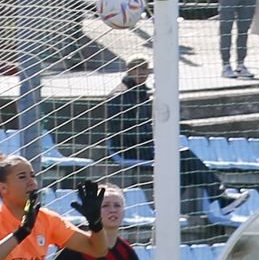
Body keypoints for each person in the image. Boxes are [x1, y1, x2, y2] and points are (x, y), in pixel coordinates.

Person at [106, 55, 248, 216]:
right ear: (130, 70)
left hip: (145, 144)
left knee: (184, 163)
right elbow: (122, 132)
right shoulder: (121, 95)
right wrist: (154, 136)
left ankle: (177, 207)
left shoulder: (141, 92)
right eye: (138, 70)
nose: (142, 73)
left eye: (145, 70)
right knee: (182, 156)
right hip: (127, 148)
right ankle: (220, 198)